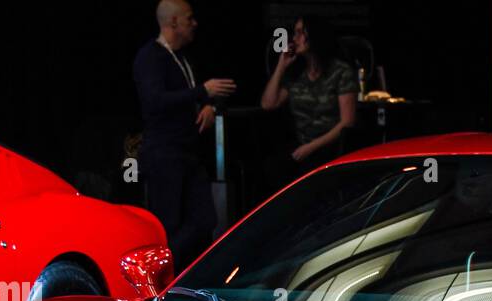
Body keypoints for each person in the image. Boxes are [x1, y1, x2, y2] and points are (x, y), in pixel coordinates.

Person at [133, 0, 236, 267]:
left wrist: (208, 105)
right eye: (189, 18)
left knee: (205, 221)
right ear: (174, 22)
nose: (195, 23)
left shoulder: (183, 57)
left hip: (188, 152)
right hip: (165, 154)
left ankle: (182, 278)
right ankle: (161, 280)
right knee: (169, 225)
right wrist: (203, 92)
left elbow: (191, 95)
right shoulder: (150, 57)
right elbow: (155, 100)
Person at [259, 15, 358, 185]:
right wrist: (281, 66)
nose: (294, 38)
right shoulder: (298, 73)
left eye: (299, 33)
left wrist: (310, 148)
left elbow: (347, 122)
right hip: (301, 144)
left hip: (329, 146)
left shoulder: (340, 71)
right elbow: (268, 104)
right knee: (271, 168)